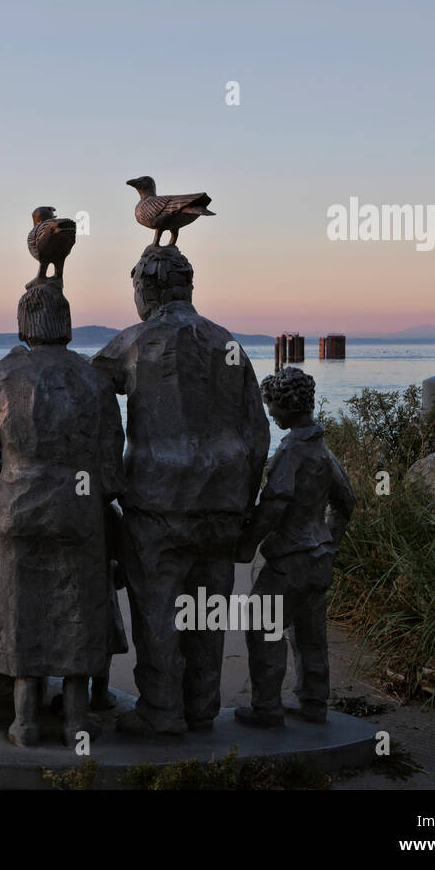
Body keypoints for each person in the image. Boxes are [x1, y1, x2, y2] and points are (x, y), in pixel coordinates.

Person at [92, 244, 269, 736]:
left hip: (159, 501)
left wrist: (103, 475)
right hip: (223, 503)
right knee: (208, 612)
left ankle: (161, 710)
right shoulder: (227, 342)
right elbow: (258, 432)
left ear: (145, 289)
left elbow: (86, 391)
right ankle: (201, 707)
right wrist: (247, 502)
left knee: (158, 611)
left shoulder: (133, 341)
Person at [0, 282, 124, 746]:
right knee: (79, 606)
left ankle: (25, 721)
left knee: (18, 606)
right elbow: (111, 467)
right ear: (67, 325)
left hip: (17, 503)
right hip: (79, 506)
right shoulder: (95, 380)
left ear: (22, 324)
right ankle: (76, 719)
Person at [235, 367, 355, 727]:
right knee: (310, 634)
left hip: (290, 560)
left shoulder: (293, 452)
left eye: (272, 406)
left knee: (262, 627)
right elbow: (346, 501)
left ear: (287, 405)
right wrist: (329, 544)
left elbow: (273, 506)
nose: (270, 413)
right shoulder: (321, 449)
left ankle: (267, 708)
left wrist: (245, 546)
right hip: (318, 558)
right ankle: (314, 703)